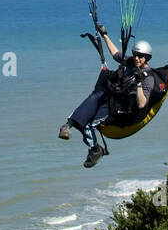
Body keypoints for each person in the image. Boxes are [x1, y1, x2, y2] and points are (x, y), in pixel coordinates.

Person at [59, 30, 160, 167]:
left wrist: (139, 82)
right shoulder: (130, 62)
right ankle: (68, 124)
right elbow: (116, 54)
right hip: (110, 94)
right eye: (135, 55)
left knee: (90, 125)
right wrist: (104, 35)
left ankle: (95, 150)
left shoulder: (148, 78)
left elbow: (142, 103)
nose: (136, 58)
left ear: (147, 58)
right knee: (93, 99)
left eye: (140, 56)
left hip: (119, 106)